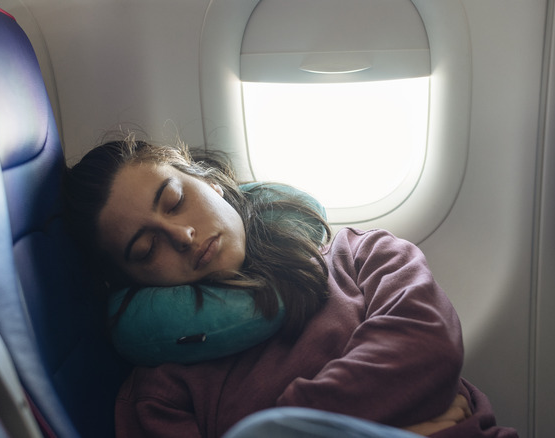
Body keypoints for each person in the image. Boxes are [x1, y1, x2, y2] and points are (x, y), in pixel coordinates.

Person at [63, 136, 518, 438]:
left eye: (176, 201)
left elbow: (426, 348)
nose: (181, 237)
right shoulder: (160, 390)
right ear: (134, 283)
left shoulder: (363, 254)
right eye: (146, 250)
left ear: (209, 182)